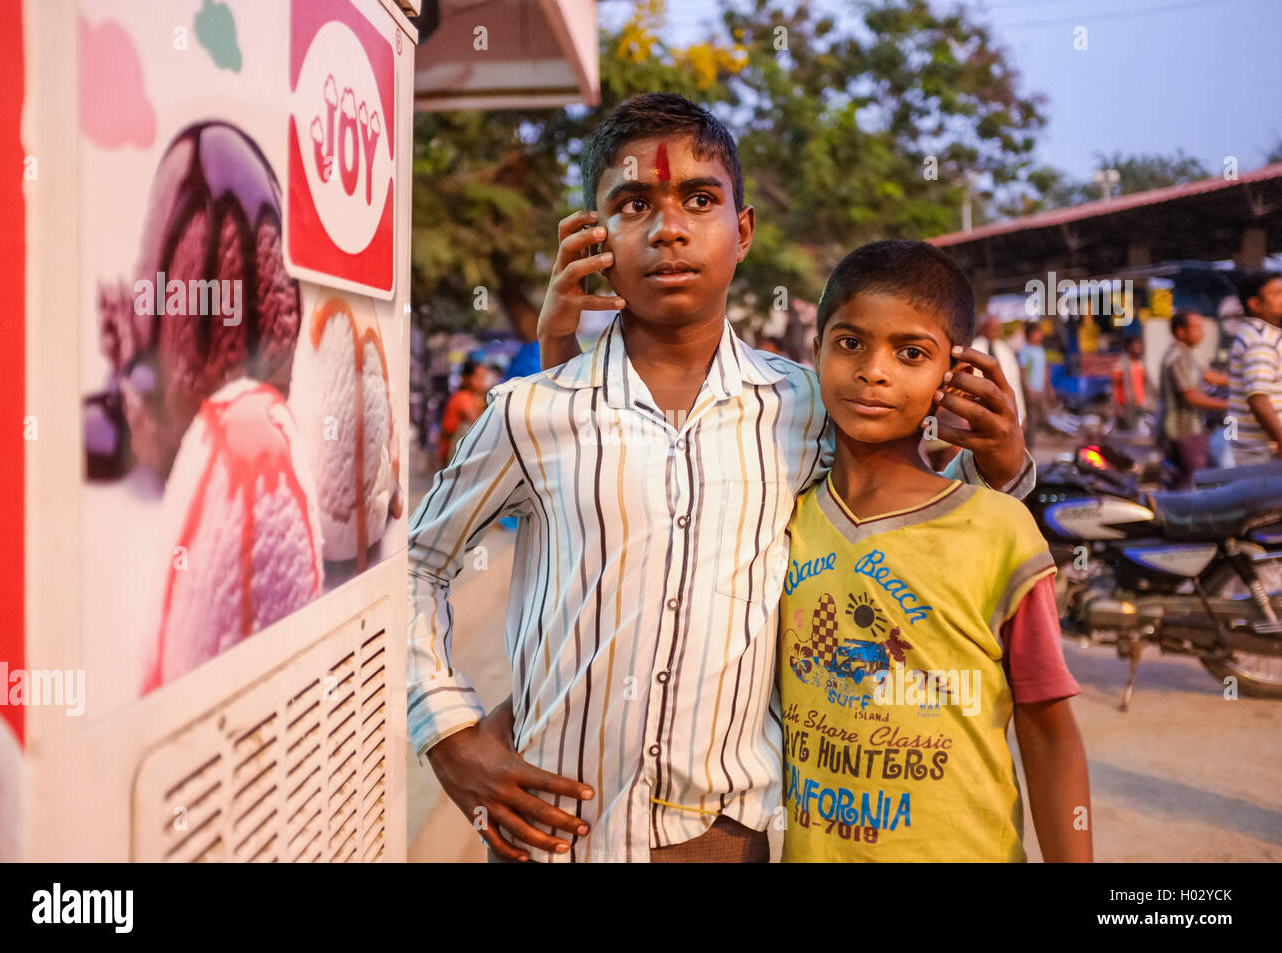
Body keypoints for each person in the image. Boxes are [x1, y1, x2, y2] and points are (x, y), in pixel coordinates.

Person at [406, 93, 1033, 863]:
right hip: (550, 837)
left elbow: (918, 512)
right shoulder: (531, 412)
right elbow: (412, 562)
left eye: (698, 199)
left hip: (722, 843)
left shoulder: (807, 407)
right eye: (635, 203)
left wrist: (1001, 465)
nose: (668, 227)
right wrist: (448, 733)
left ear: (741, 232)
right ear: (596, 238)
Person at [778, 240, 1091, 862]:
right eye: (850, 343)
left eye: (912, 353)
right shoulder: (780, 520)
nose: (874, 370)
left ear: (955, 375)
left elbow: (1049, 731)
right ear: (815, 352)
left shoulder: (999, 530)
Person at [1158, 311, 1228, 490]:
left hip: (1188, 428)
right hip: (1183, 429)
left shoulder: (1186, 354)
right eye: (1196, 328)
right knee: (1192, 479)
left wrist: (1243, 376)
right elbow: (1191, 396)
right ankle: (1182, 516)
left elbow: (1209, 376)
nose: (1201, 333)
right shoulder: (1178, 356)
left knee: (1188, 476)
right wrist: (1230, 405)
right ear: (1181, 332)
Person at [1227, 271, 1282, 465]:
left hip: (1258, 448)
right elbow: (1258, 398)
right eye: (1278, 294)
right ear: (1256, 305)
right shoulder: (1261, 341)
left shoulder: (1259, 335)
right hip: (1262, 452)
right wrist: (1280, 440)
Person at [972, 314, 1025, 423]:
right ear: (983, 328)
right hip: (982, 407)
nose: (996, 331)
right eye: (992, 328)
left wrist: (1021, 413)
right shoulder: (974, 348)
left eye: (997, 329)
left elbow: (1014, 383)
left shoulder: (1005, 350)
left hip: (1006, 405)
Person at [437, 359, 489, 468]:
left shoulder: (474, 398)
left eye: (484, 378)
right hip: (452, 455)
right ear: (465, 378)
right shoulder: (462, 398)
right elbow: (478, 423)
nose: (482, 382)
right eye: (478, 378)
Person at [1018, 321, 1053, 450]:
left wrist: (1049, 388)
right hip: (1031, 390)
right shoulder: (1025, 351)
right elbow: (1023, 372)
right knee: (1031, 420)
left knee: (1042, 417)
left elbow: (1044, 370)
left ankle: (1035, 444)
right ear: (1031, 335)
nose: (1040, 335)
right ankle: (1027, 448)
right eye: (1038, 333)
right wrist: (1028, 390)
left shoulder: (1040, 350)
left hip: (1041, 389)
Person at [1111, 331, 1148, 431]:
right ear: (1129, 348)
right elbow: (1115, 387)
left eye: (1140, 346)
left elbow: (1145, 383)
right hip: (1126, 406)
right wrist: (1117, 407)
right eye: (1136, 346)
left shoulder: (1140, 363)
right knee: (1129, 433)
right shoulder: (1120, 365)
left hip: (1140, 405)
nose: (1138, 349)